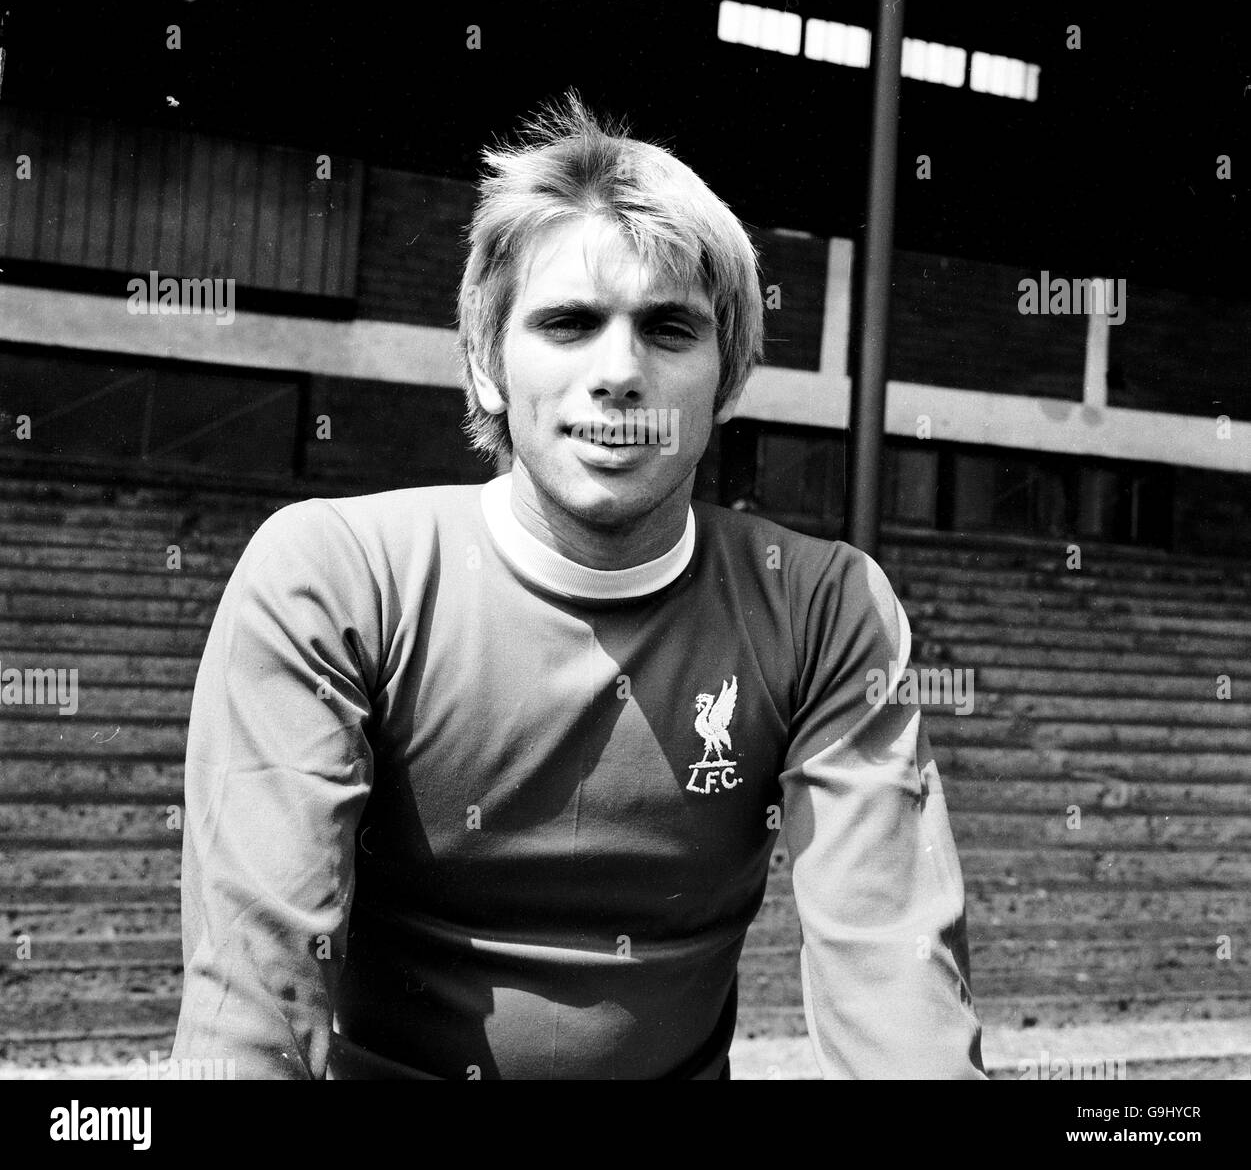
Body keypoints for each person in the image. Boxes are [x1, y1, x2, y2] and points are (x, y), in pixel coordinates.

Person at [171, 95, 985, 1079]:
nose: (619, 372)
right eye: (568, 322)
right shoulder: (335, 574)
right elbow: (253, 1003)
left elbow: (897, 986)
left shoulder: (821, 607)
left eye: (669, 329)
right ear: (486, 364)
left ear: (728, 378)